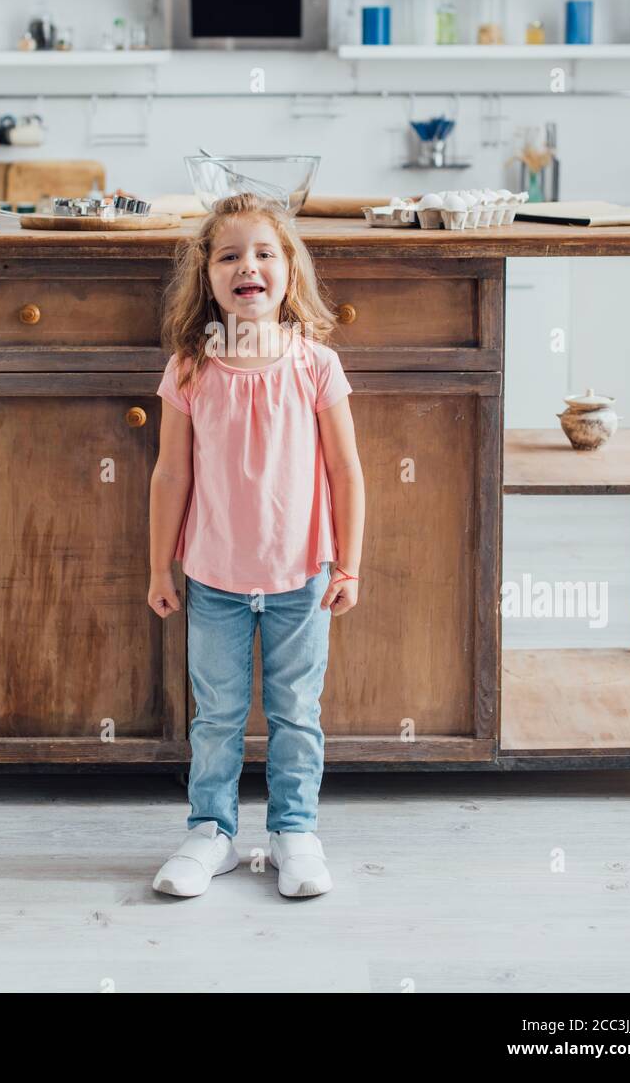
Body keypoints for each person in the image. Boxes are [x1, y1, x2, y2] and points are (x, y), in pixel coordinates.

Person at [147, 192, 365, 899]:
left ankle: (293, 831)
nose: (249, 266)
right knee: (215, 715)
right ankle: (209, 832)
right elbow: (170, 470)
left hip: (301, 577)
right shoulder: (189, 368)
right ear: (207, 277)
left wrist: (349, 562)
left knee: (297, 714)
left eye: (264, 252)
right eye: (230, 255)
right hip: (211, 577)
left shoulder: (315, 366)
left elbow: (344, 470)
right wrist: (160, 566)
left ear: (288, 272)